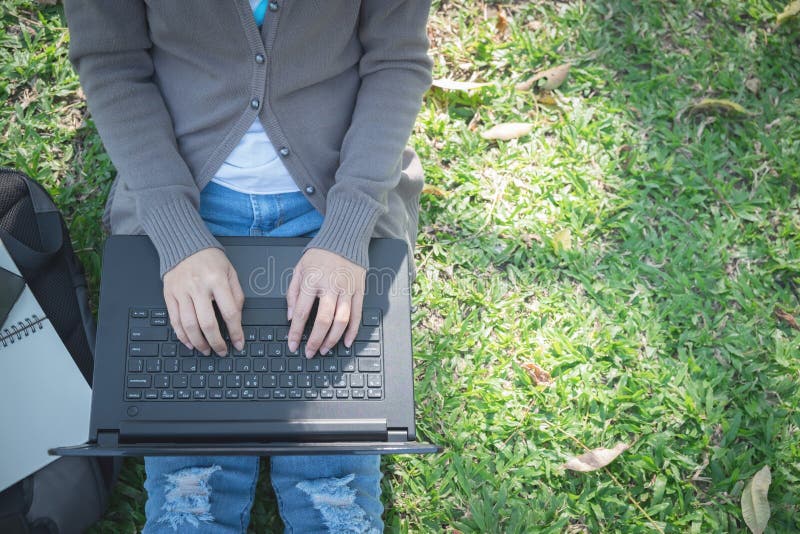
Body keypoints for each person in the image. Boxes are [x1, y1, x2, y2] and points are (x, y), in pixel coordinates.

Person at [63, 0, 433, 532]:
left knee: (334, 491)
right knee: (190, 495)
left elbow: (396, 60)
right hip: (183, 189)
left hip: (339, 187)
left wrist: (348, 229)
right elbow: (112, 61)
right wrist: (177, 234)